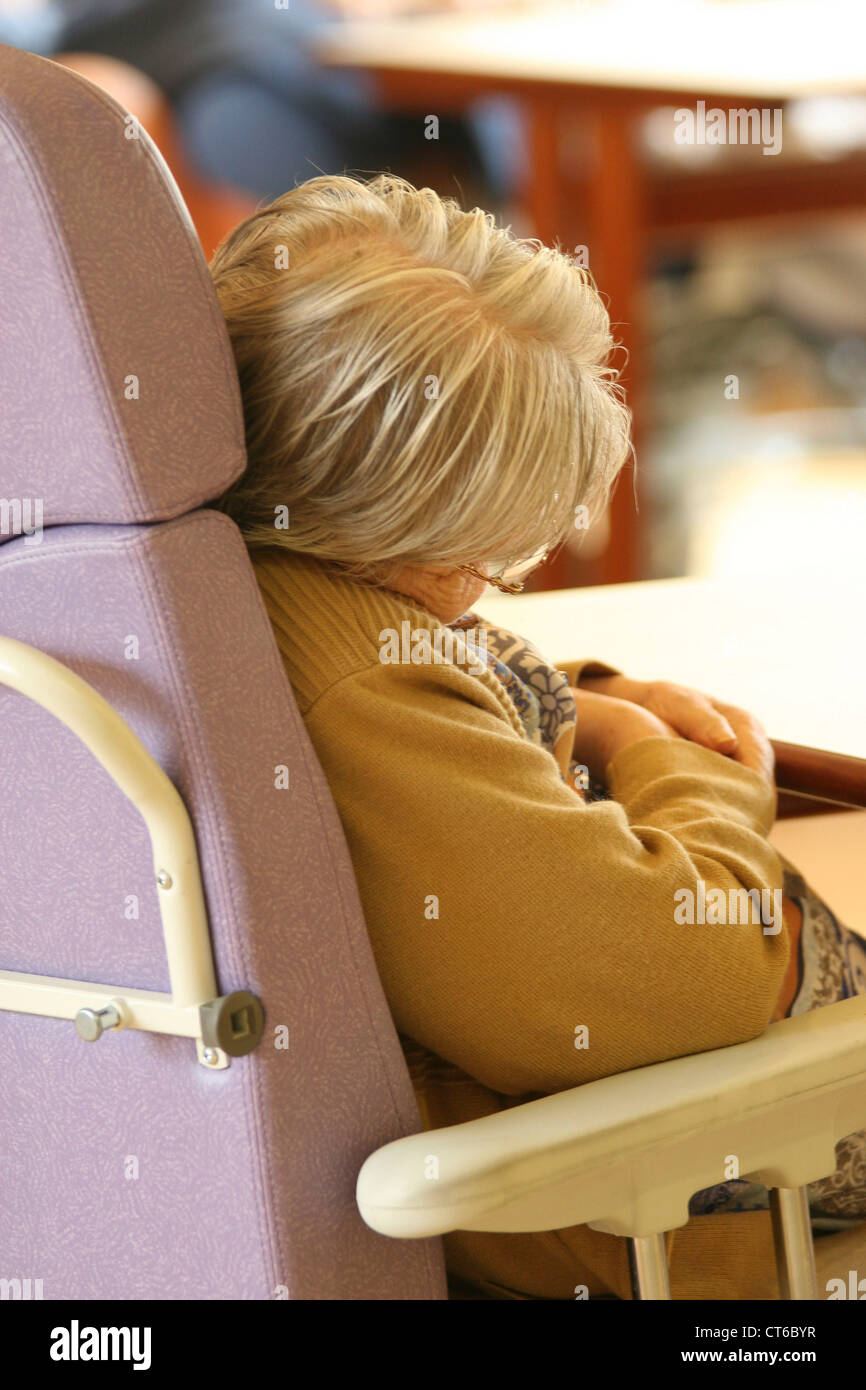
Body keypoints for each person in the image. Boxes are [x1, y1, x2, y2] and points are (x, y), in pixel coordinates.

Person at [208, 172, 866, 1299]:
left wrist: (587, 704)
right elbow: (679, 977)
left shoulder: (251, 575)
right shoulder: (363, 686)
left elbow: (439, 721)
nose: (481, 596)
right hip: (653, 1196)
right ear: (373, 516)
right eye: (476, 556)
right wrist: (690, 772)